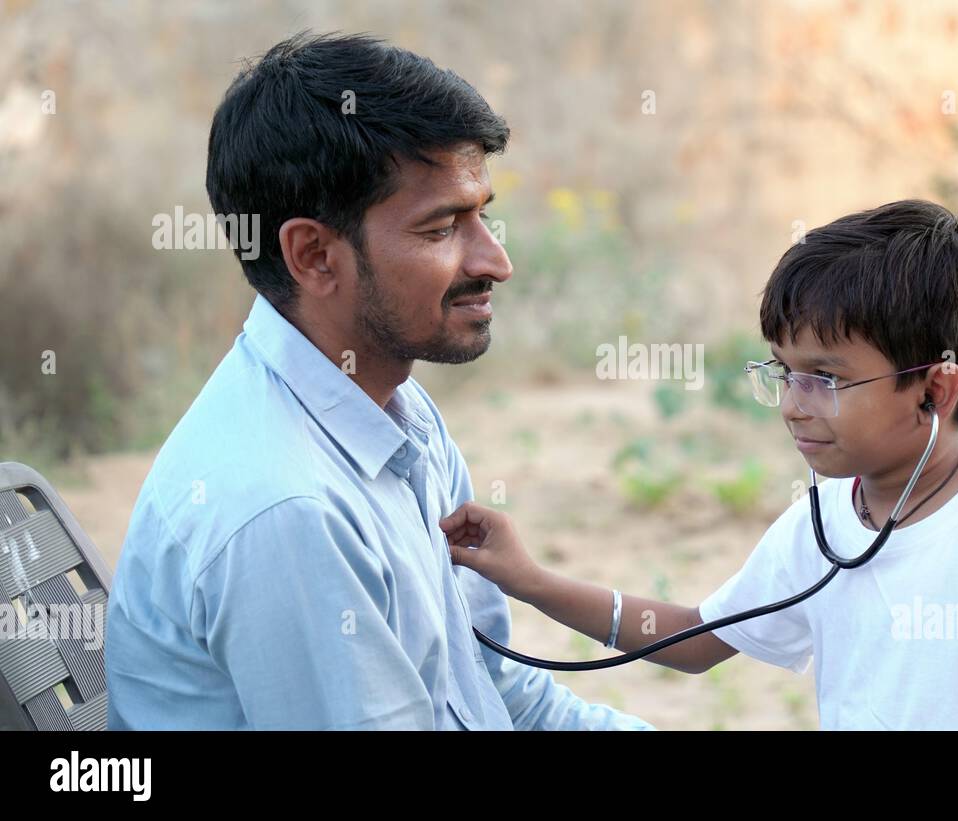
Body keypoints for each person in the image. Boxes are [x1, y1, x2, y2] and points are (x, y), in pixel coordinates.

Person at [439, 199, 958, 730]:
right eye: (783, 372)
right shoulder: (824, 521)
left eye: (824, 378)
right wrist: (530, 580)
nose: (793, 404)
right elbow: (696, 640)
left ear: (935, 388)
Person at [104, 31, 652, 730]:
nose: (496, 261)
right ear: (314, 256)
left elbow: (495, 694)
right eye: (441, 228)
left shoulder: (397, 413)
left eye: (482, 214)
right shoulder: (287, 509)